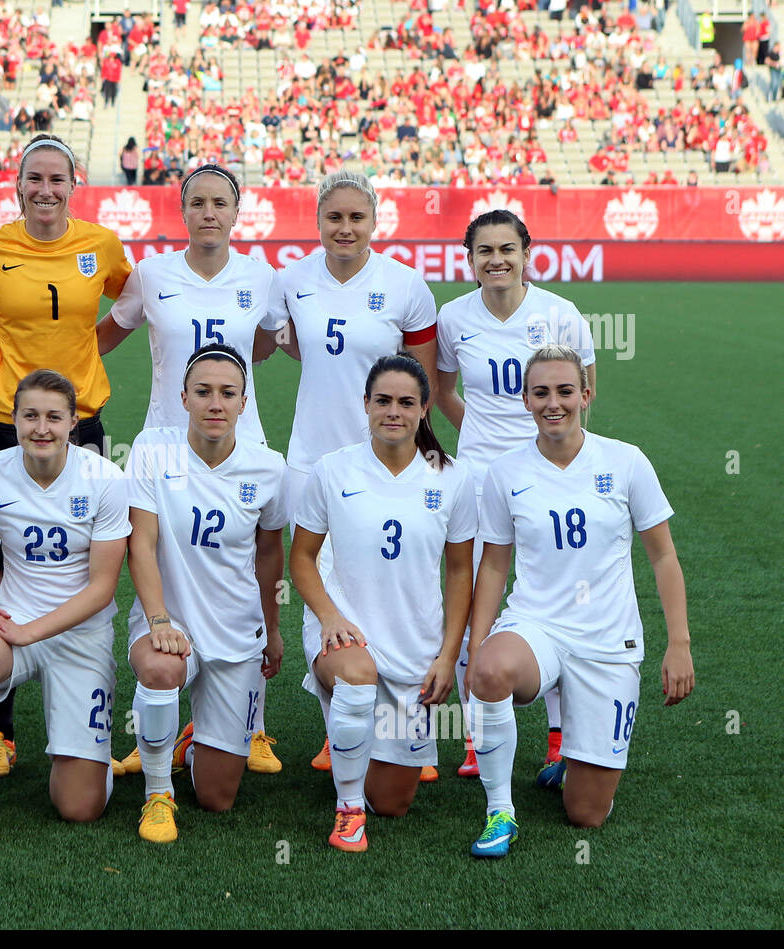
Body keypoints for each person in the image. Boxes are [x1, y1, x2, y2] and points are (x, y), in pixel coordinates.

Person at [463, 345, 694, 856]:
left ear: (585, 394)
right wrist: (476, 645)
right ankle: (500, 810)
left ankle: (576, 755)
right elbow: (496, 563)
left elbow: (663, 557)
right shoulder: (506, 473)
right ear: (525, 400)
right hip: (537, 626)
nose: (554, 403)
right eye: (541, 392)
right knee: (491, 672)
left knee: (586, 816)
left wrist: (678, 643)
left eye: (565, 391)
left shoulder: (626, 461)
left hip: (608, 642)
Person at [99, 162, 289, 773]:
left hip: (239, 439)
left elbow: (264, 343)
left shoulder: (261, 278)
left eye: (221, 203)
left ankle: (249, 726)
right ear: (183, 211)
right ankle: (155, 724)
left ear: (238, 213)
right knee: (160, 563)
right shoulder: (151, 275)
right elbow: (106, 334)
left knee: (237, 566)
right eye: (199, 202)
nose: (210, 212)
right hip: (163, 440)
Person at [0, 133, 131, 772]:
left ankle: (82, 681)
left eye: (56, 180)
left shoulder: (101, 245)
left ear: (74, 183)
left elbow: (130, 304)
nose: (45, 190)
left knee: (81, 558)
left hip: (81, 421)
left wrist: (89, 354)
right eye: (33, 179)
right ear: (18, 185)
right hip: (5, 421)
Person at [275, 169, 438, 776]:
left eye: (356, 218)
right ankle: (335, 724)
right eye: (334, 218)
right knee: (320, 591)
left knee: (395, 583)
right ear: (318, 221)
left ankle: (403, 731)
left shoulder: (405, 286)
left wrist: (424, 451)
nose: (345, 228)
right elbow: (286, 345)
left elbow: (420, 380)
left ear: (375, 221)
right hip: (311, 460)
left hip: (391, 464)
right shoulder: (291, 281)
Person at [435, 210, 597, 781]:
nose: (496, 260)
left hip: (550, 478)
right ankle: (478, 736)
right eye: (484, 251)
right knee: (476, 597)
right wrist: (480, 437)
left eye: (507, 249)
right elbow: (442, 390)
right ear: (470, 258)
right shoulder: (453, 318)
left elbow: (585, 392)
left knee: (554, 600)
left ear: (527, 253)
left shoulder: (561, 315)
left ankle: (560, 739)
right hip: (480, 479)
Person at [290, 355, 475, 852]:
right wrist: (328, 616)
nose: (393, 411)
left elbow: (460, 572)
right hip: (346, 632)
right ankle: (348, 809)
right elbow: (302, 560)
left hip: (415, 648)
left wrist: (446, 656)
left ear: (424, 408)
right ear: (365, 404)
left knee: (393, 802)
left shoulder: (451, 478)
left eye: (406, 402)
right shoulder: (332, 470)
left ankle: (359, 751)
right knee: (355, 679)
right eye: (383, 401)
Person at [0, 371, 130, 853]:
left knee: (79, 808)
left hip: (80, 634)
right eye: (30, 416)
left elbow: (102, 588)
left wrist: (31, 632)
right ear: (14, 419)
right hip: (12, 621)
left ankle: (90, 750)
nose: (41, 428)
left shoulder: (106, 479)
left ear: (74, 422)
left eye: (54, 417)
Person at [124, 344, 286, 842]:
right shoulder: (152, 449)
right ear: (184, 398)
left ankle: (192, 743)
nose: (215, 403)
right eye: (203, 392)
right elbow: (142, 545)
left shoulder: (269, 467)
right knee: (160, 667)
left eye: (227, 393)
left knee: (218, 798)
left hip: (236, 632)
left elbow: (269, 556)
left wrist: (273, 630)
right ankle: (157, 794)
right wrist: (158, 621)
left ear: (243, 402)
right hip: (169, 623)